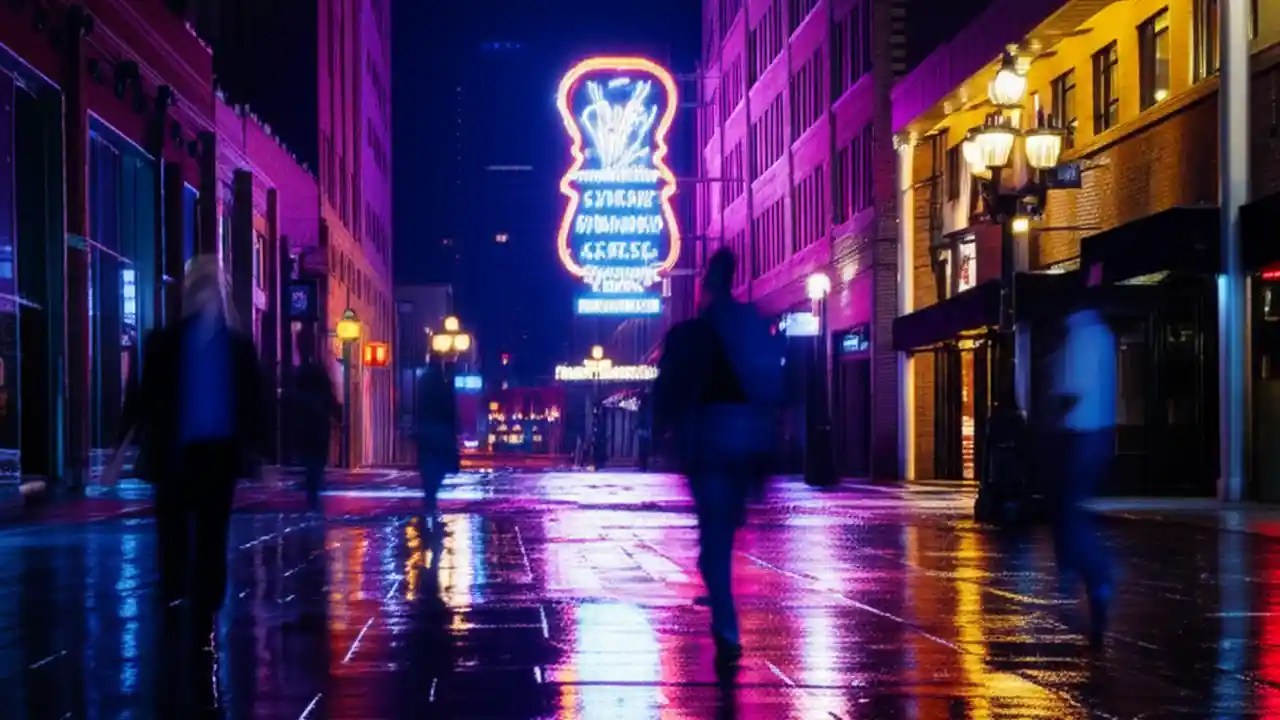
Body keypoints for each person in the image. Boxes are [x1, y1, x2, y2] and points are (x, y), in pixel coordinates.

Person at [119, 255, 265, 652]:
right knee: (173, 533)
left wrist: (257, 454)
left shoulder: (236, 348)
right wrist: (120, 450)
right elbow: (143, 399)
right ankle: (174, 599)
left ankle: (204, 608)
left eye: (209, 290)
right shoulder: (165, 343)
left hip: (217, 454)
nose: (204, 298)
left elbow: (252, 402)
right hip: (176, 454)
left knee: (212, 534)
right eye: (198, 290)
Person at [653, 247, 783, 666]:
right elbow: (770, 385)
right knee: (720, 529)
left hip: (708, 441)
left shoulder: (696, 331)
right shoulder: (750, 323)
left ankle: (725, 620)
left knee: (715, 535)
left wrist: (667, 433)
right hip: (742, 441)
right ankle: (722, 608)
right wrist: (767, 445)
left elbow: (672, 389)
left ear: (707, 282)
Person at [1042, 304, 1116, 649]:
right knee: (1068, 510)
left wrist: (1049, 424)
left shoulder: (1079, 336)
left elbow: (1073, 392)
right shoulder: (1100, 334)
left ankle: (1091, 575)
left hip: (1079, 436)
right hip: (1097, 434)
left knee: (1067, 512)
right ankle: (1079, 574)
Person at [294, 328, 340, 511]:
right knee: (314, 463)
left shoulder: (300, 373)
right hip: (317, 426)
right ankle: (312, 495)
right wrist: (337, 414)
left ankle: (312, 493)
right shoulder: (317, 371)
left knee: (310, 463)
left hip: (306, 426)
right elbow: (328, 397)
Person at [414, 357, 458, 527]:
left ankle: (429, 494)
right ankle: (431, 494)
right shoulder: (444, 386)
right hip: (440, 431)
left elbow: (419, 407)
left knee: (428, 465)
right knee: (438, 466)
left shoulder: (424, 383)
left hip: (427, 430)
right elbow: (450, 410)